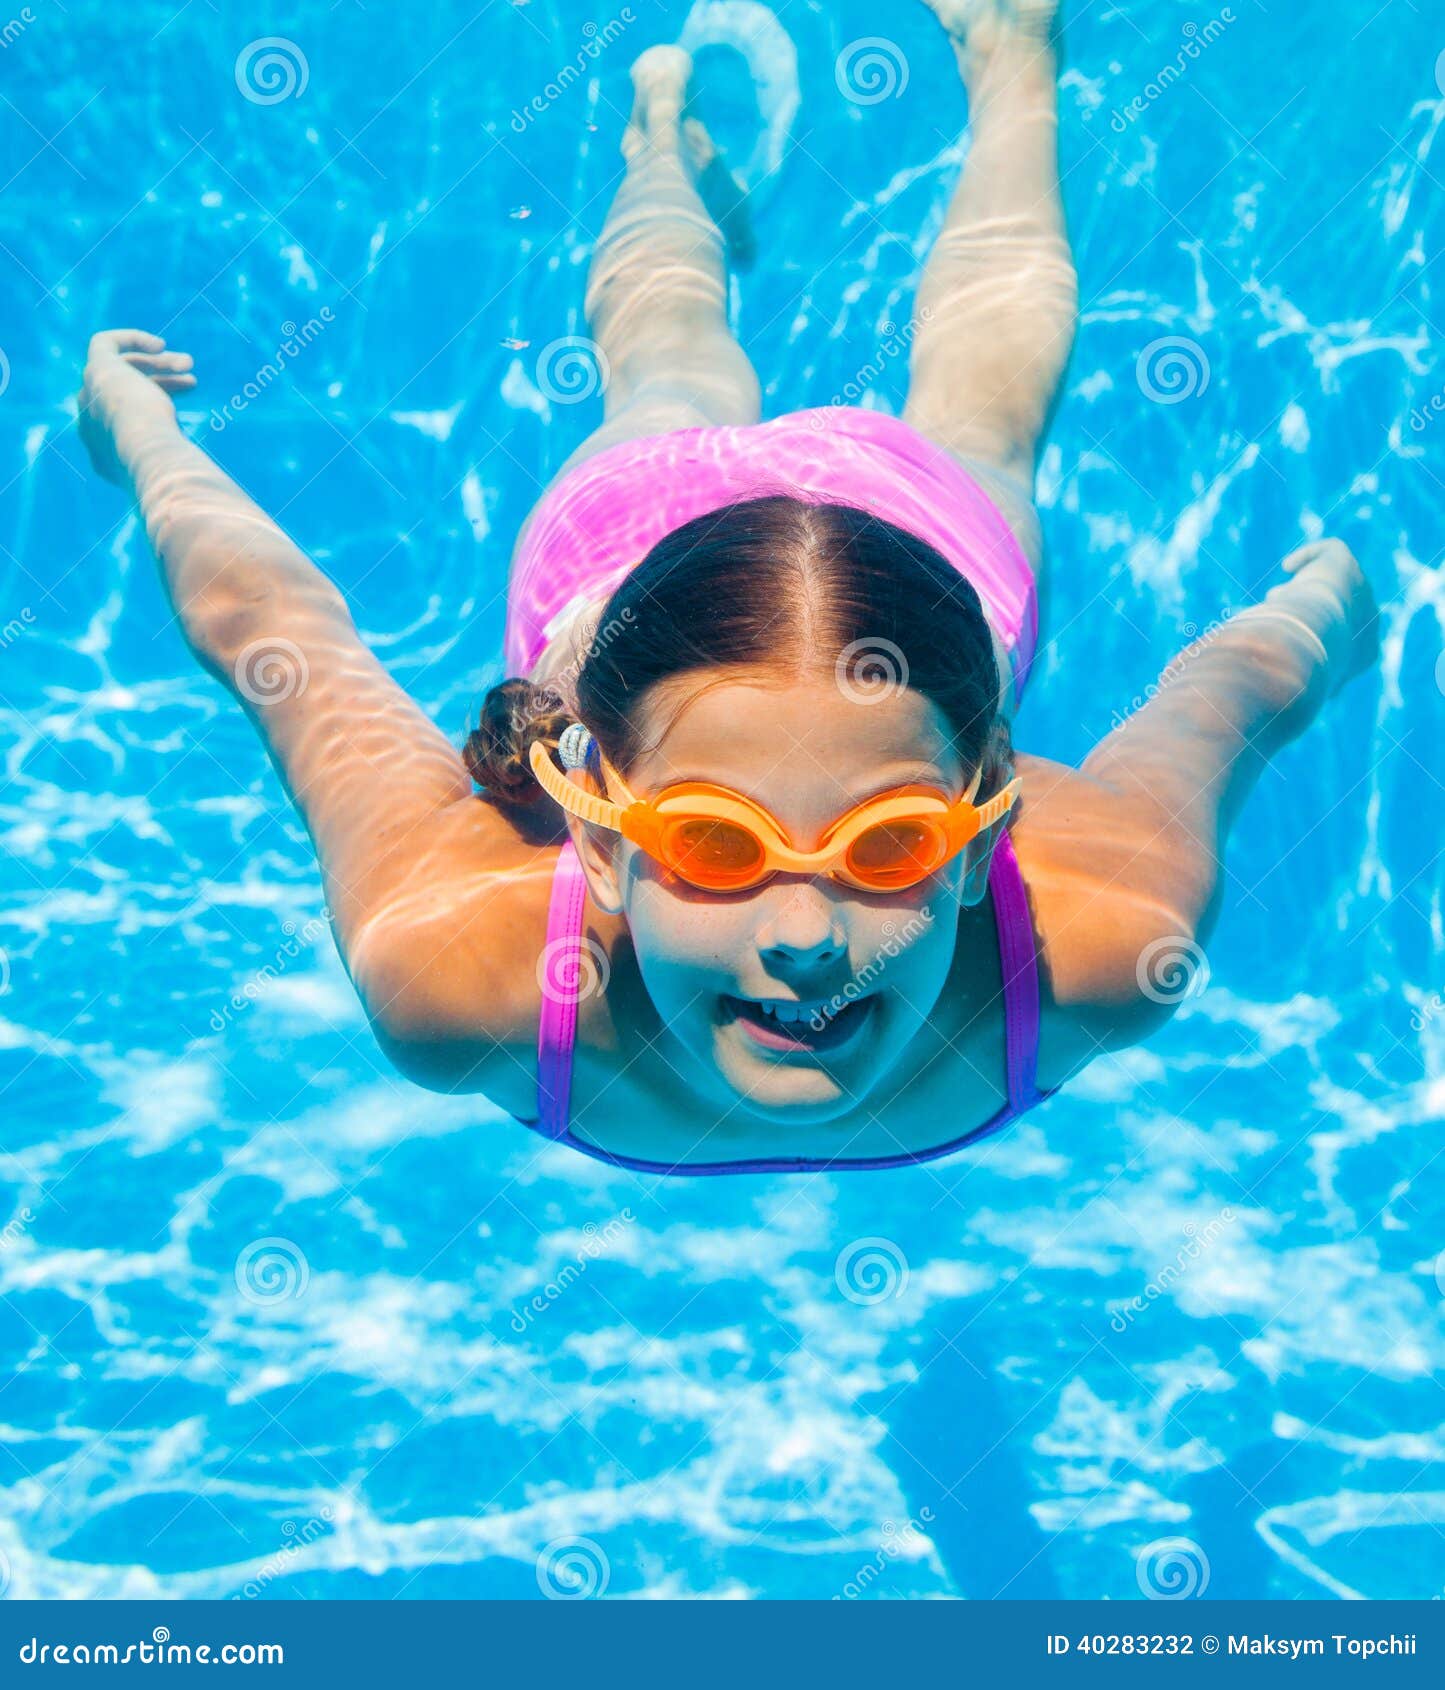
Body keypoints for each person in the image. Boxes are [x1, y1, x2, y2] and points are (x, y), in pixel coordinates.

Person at [76, 0, 1378, 1174]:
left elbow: (1244, 684)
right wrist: (134, 431)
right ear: (597, 832)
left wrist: (1324, 603)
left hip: (816, 560)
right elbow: (262, 617)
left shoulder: (1098, 943)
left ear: (982, 836)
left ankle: (1008, 51)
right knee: (716, 370)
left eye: (887, 846)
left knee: (750, 381)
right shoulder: (464, 967)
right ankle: (664, 139)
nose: (805, 934)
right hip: (670, 548)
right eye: (710, 841)